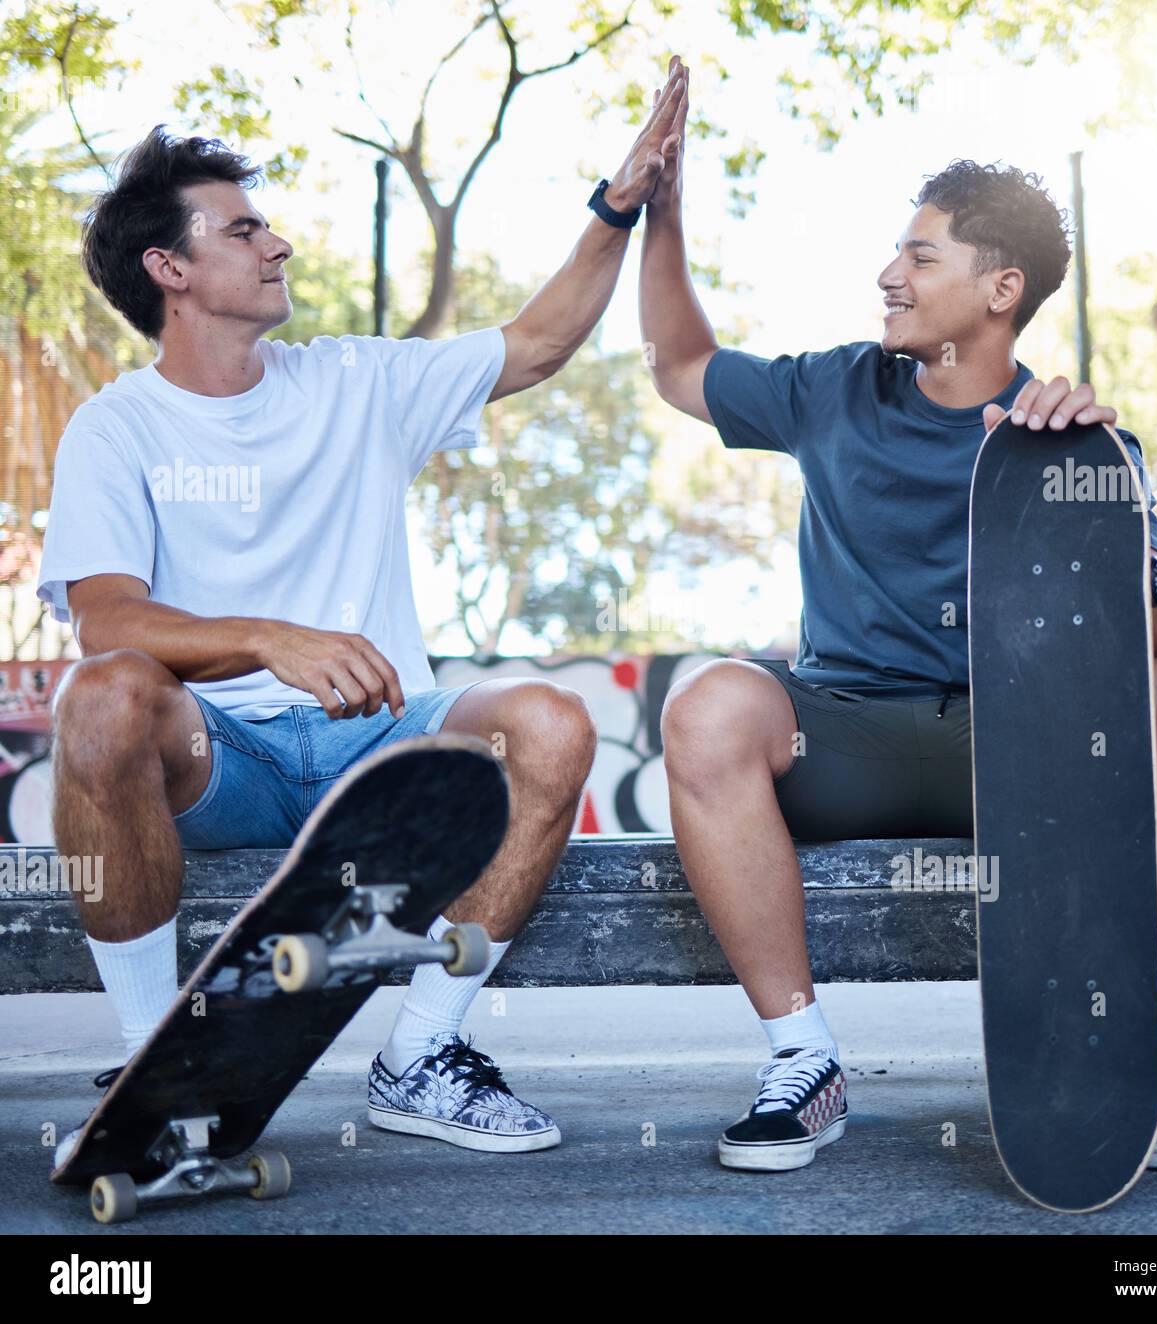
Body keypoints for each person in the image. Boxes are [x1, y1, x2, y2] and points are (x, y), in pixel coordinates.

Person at [38, 59, 686, 1161]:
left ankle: (425, 1054)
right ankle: (164, 1063)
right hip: (219, 759)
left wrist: (617, 203)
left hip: (374, 749)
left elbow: (536, 343)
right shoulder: (118, 427)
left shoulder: (354, 380)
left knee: (548, 720)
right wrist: (266, 640)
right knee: (100, 698)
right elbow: (107, 621)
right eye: (243, 231)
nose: (276, 243)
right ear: (170, 268)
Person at [639, 60, 1157, 1172]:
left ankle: (1109, 1029)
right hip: (843, 735)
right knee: (709, 702)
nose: (890, 274)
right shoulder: (832, 389)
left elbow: (1148, 647)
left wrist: (1093, 486)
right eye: (896, 252)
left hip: (1015, 749)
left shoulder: (1078, 436)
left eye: (920, 256)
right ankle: (801, 1059)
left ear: (999, 290)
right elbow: (680, 366)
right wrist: (658, 216)